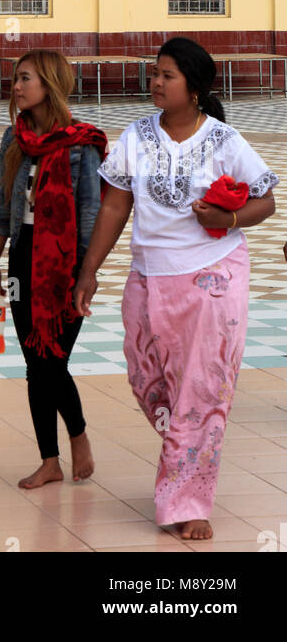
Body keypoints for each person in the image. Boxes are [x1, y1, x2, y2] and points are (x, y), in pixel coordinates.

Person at [74, 36, 278, 542]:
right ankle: (186, 455)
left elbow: (265, 201)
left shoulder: (224, 140)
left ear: (195, 86)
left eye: (167, 75)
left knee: (202, 391)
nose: (156, 82)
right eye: (156, 73)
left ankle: (187, 502)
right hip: (150, 277)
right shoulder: (135, 137)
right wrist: (89, 269)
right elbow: (116, 207)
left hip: (215, 276)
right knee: (148, 380)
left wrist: (228, 216)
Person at [0, 50, 107, 488]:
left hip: (65, 262)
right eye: (15, 79)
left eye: (25, 79)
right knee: (34, 361)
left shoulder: (81, 143)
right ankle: (50, 460)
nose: (16, 88)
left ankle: (78, 437)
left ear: (49, 84)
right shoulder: (13, 139)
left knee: (54, 357)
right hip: (23, 256)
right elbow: (2, 204)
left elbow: (91, 209)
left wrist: (86, 272)